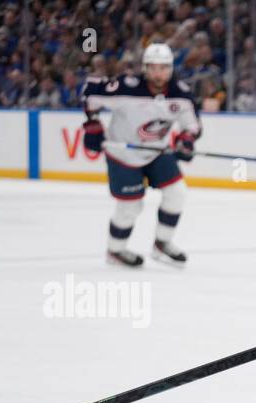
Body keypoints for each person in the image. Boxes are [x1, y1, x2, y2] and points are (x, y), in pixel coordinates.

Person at [81, 43, 202, 267]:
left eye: (164, 68)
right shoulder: (126, 87)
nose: (159, 73)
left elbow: (192, 124)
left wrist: (187, 140)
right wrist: (93, 125)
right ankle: (115, 250)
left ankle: (161, 244)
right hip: (123, 155)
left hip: (157, 151)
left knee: (177, 192)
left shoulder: (181, 94)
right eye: (153, 68)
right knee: (131, 206)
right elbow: (89, 92)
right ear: (145, 68)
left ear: (171, 68)